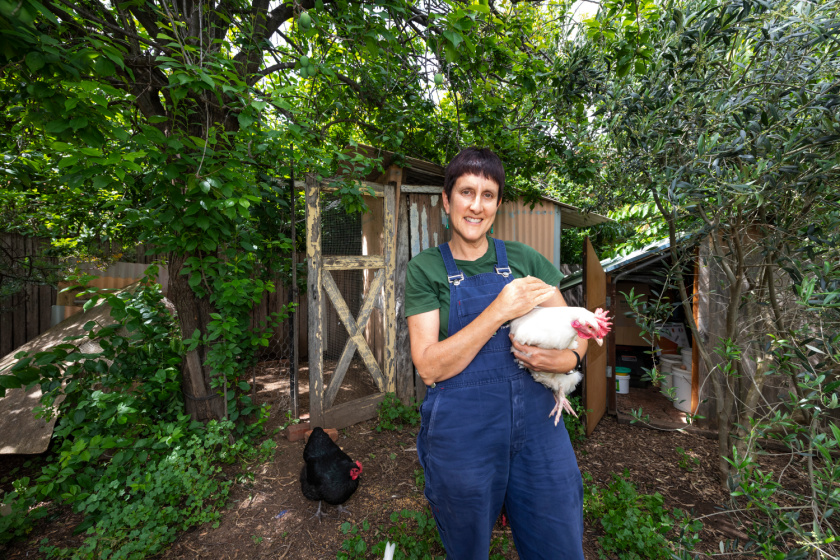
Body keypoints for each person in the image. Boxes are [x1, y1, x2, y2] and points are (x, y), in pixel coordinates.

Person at [404, 147, 587, 560]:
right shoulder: (426, 269)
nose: (476, 205)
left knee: (559, 544)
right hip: (463, 435)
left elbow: (579, 328)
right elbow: (430, 366)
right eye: (466, 192)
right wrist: (499, 310)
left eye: (488, 194)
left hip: (540, 429)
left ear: (498, 205)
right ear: (447, 200)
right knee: (467, 549)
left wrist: (569, 360)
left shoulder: (524, 260)